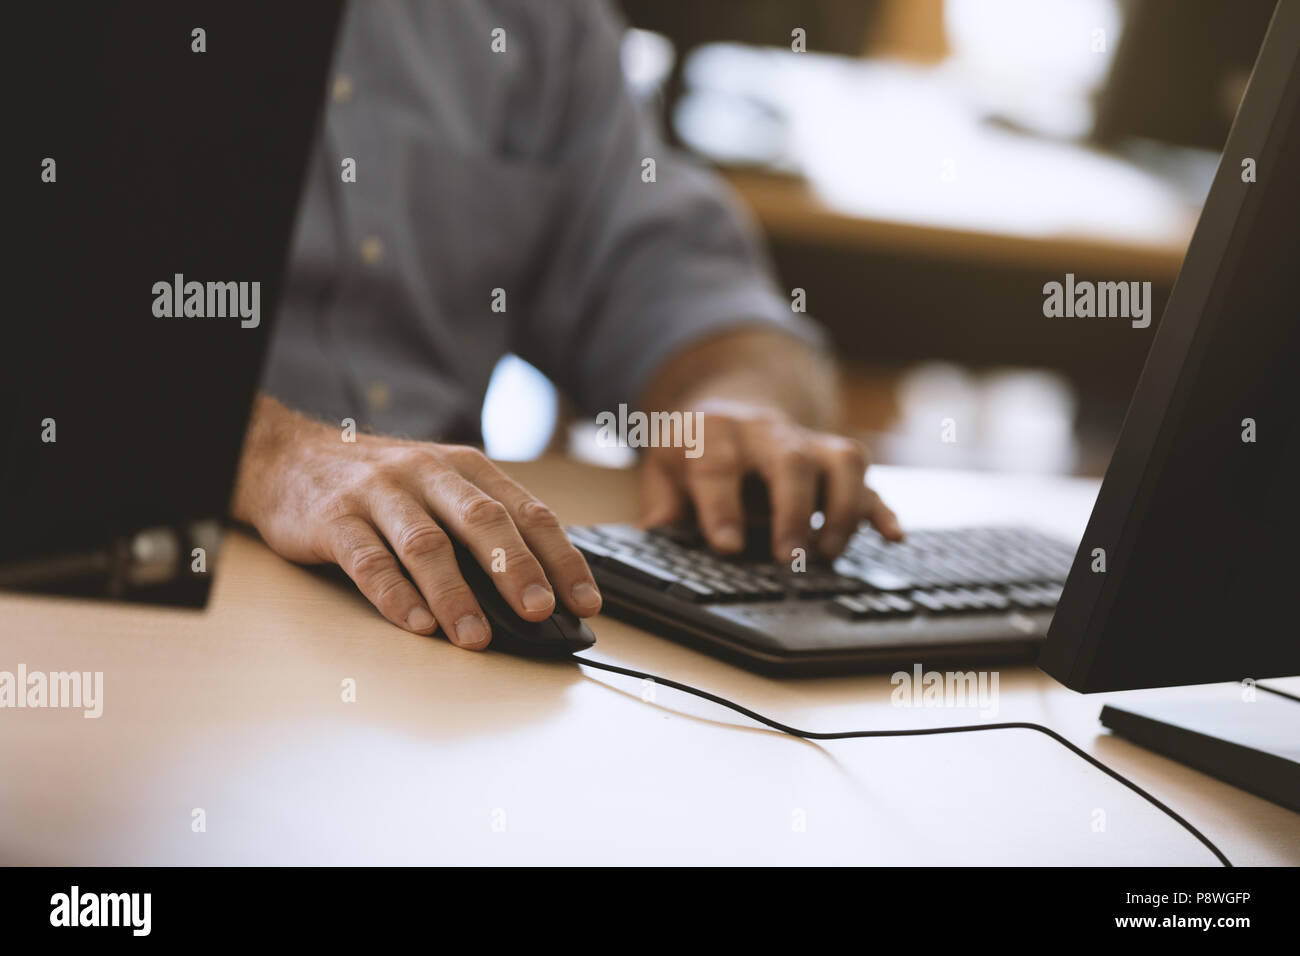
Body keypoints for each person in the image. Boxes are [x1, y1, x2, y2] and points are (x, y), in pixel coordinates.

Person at [231, 0, 900, 652]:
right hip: (193, 579)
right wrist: (270, 456)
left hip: (453, 611)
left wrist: (729, 404)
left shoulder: (540, 19)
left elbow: (675, 282)